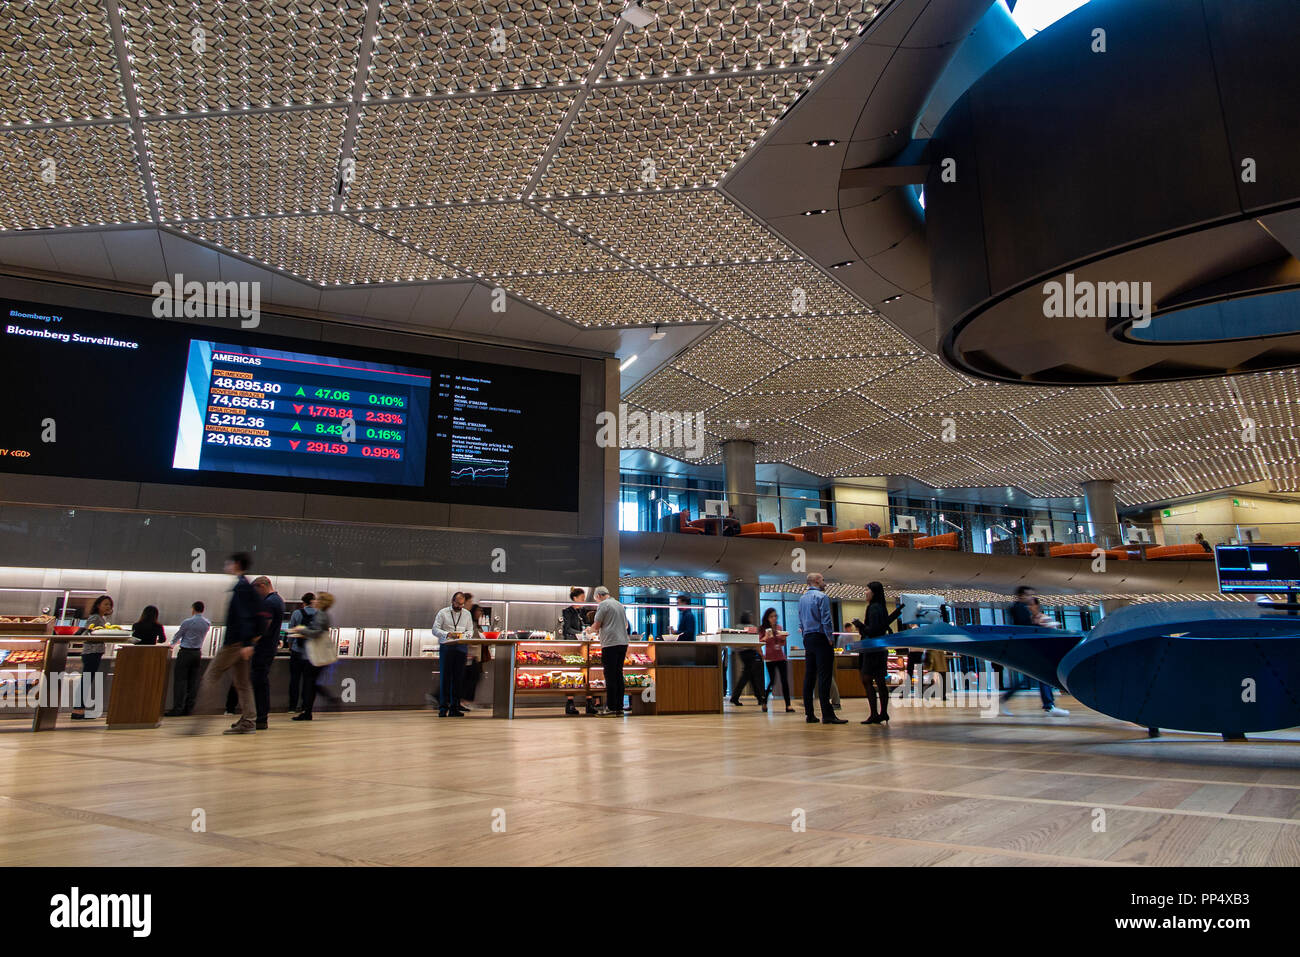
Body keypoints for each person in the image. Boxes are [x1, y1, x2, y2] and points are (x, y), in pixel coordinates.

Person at [191, 552, 260, 734]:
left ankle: (200, 721)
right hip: (242, 643)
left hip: (234, 643)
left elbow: (244, 617)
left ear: (236, 564)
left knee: (211, 677)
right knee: (243, 682)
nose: (226, 566)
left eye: (229, 563)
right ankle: (249, 720)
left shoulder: (241, 588)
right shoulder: (246, 586)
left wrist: (246, 643)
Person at [999, 586, 1070, 717]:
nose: (1031, 597)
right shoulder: (1018, 608)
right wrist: (1044, 625)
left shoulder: (1020, 608)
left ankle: (1006, 699)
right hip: (1028, 647)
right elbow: (1025, 627)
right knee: (1041, 675)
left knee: (1031, 677)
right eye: (1029, 595)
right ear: (1021, 596)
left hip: (1026, 647)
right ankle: (1049, 705)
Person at [799, 572, 847, 724]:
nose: (825, 583)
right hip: (821, 638)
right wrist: (830, 638)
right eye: (823, 580)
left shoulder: (802, 599)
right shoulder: (822, 597)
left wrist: (805, 635)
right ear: (817, 581)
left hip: (808, 638)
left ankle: (810, 713)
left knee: (809, 676)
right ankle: (827, 714)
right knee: (825, 676)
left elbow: (801, 620)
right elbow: (826, 619)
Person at [851, 583, 902, 725]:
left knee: (867, 680)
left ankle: (874, 713)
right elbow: (881, 627)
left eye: (867, 589)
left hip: (871, 649)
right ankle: (883, 712)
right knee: (880, 681)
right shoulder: (882, 607)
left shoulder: (872, 608)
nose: (865, 592)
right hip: (880, 649)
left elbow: (871, 630)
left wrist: (860, 625)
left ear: (873, 592)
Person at [293, 591, 339, 721]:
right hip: (318, 654)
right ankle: (309, 710)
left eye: (317, 599)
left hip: (313, 655)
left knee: (310, 683)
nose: (315, 601)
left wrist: (301, 630)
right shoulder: (325, 615)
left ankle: (308, 711)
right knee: (311, 683)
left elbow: (317, 632)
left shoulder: (320, 615)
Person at [249, 576, 285, 730]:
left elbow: (263, 627)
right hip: (269, 648)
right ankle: (259, 717)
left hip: (263, 648)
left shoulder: (269, 602)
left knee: (259, 682)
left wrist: (250, 642)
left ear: (262, 585)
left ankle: (260, 717)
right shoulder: (279, 600)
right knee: (260, 681)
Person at [72, 595, 113, 720]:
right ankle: (78, 710)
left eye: (110, 605)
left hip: (94, 652)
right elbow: (87, 632)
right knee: (86, 680)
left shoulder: (101, 618)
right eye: (105, 604)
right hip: (91, 652)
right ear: (98, 605)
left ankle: (79, 709)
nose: (108, 607)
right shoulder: (95, 617)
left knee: (86, 680)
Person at [165, 601, 210, 716]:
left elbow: (179, 635)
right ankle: (189, 708)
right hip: (197, 654)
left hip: (185, 652)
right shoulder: (206, 623)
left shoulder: (187, 622)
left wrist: (171, 644)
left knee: (180, 681)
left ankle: (177, 708)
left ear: (193, 609)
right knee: (193, 682)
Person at [432, 590, 472, 717]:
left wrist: (464, 635)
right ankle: (443, 708)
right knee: (445, 678)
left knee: (458, 679)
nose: (459, 606)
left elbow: (470, 631)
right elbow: (435, 629)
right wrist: (447, 634)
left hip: (461, 648)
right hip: (447, 647)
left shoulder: (466, 614)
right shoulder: (443, 613)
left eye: (462, 604)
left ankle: (454, 708)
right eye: (457, 603)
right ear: (452, 601)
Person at [591, 586, 629, 716]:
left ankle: (611, 707)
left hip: (610, 644)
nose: (597, 601)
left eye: (596, 599)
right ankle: (619, 707)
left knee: (610, 675)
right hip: (623, 643)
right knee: (618, 674)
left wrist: (587, 631)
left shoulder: (603, 605)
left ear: (599, 596)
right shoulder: (619, 605)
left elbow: (596, 626)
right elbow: (626, 625)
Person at [561, 587, 596, 716]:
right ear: (575, 598)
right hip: (572, 644)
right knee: (572, 672)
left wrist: (589, 631)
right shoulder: (567, 612)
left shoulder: (582, 612)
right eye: (582, 597)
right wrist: (580, 633)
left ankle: (589, 702)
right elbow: (567, 629)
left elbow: (587, 625)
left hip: (584, 645)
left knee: (588, 671)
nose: (583, 600)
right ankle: (570, 703)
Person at [728, 611, 766, 710]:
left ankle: (758, 697)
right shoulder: (752, 627)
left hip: (741, 652)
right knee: (747, 674)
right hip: (750, 651)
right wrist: (761, 653)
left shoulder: (737, 626)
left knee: (750, 674)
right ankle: (735, 697)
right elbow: (755, 640)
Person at [759, 608, 795, 712]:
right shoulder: (763, 629)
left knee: (784, 680)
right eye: (771, 616)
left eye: (775, 616)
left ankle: (788, 705)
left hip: (781, 657)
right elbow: (759, 643)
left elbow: (782, 644)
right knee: (772, 680)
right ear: (767, 618)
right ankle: (764, 702)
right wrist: (765, 637)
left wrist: (783, 639)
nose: (774, 618)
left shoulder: (779, 628)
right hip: (770, 658)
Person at [287, 593, 315, 713]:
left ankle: (292, 706)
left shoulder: (297, 613)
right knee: (308, 681)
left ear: (303, 602)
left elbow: (290, 632)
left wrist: (290, 646)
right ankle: (305, 706)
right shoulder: (318, 614)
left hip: (297, 651)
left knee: (294, 679)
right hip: (311, 653)